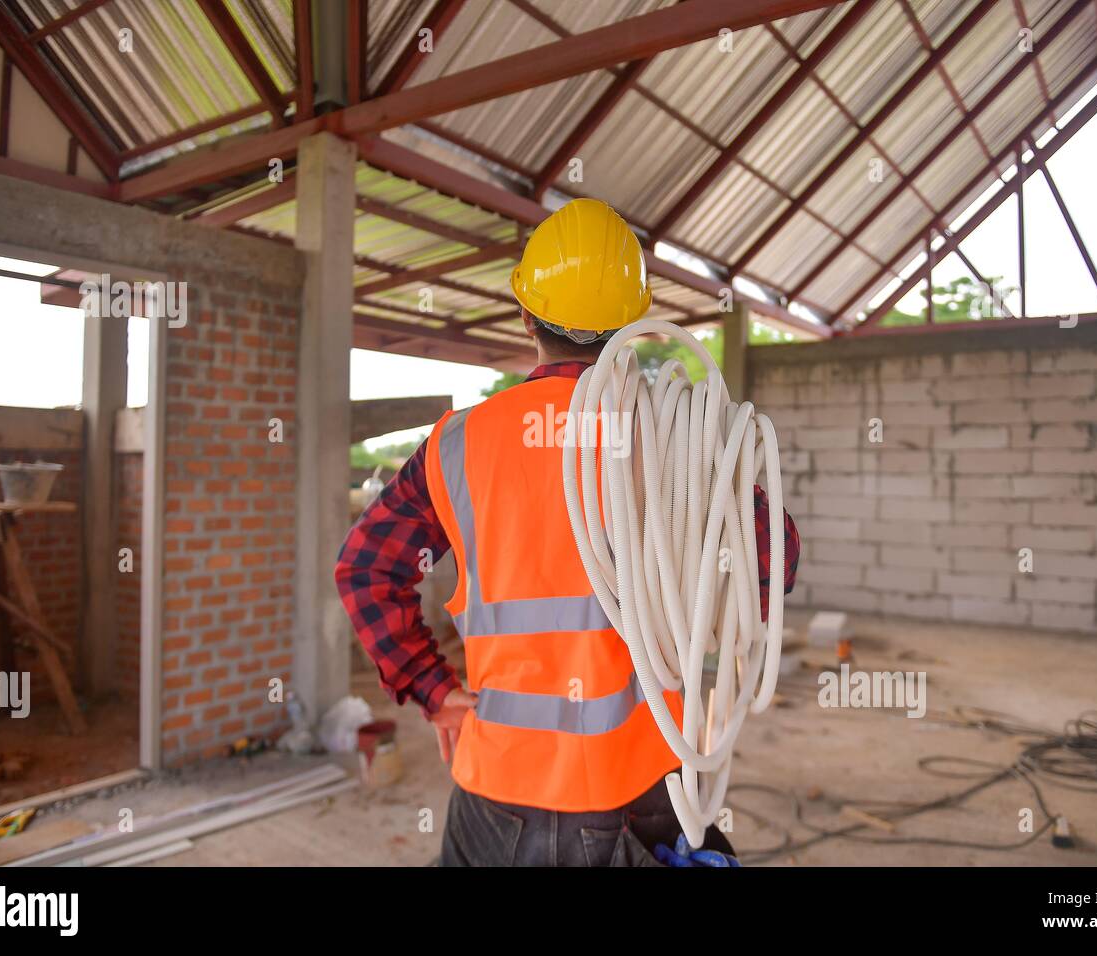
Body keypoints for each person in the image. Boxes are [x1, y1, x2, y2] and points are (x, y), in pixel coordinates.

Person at [335, 198, 799, 866]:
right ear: (634, 322)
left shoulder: (460, 445)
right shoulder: (680, 440)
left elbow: (365, 568)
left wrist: (434, 691)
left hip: (500, 788)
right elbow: (773, 561)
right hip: (647, 781)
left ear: (526, 316)